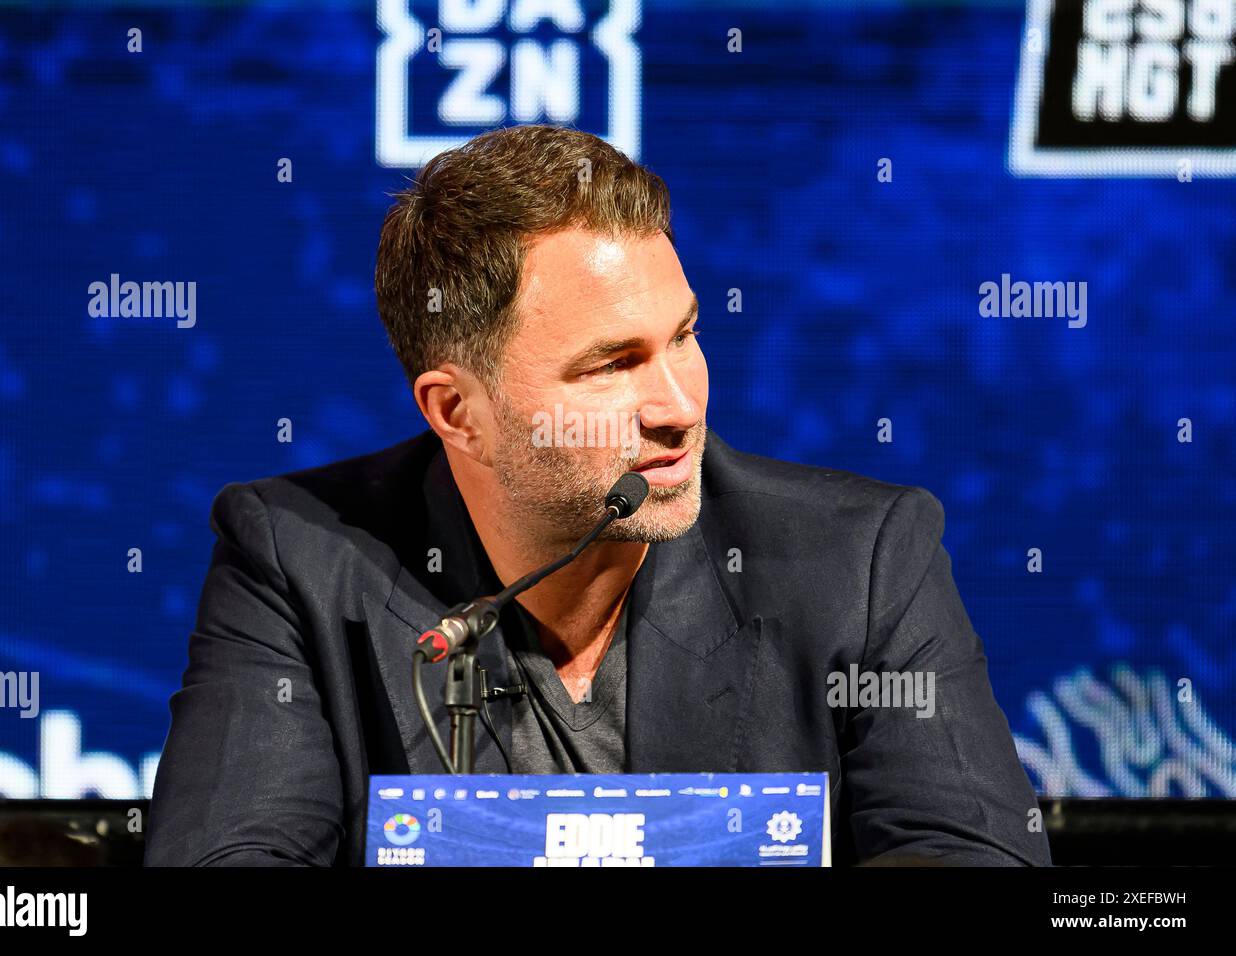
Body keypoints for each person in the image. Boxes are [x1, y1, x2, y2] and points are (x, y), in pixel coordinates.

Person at [144, 123, 1050, 867]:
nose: (679, 406)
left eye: (684, 337)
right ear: (458, 411)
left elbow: (972, 857)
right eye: (612, 366)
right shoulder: (296, 559)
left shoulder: (860, 557)